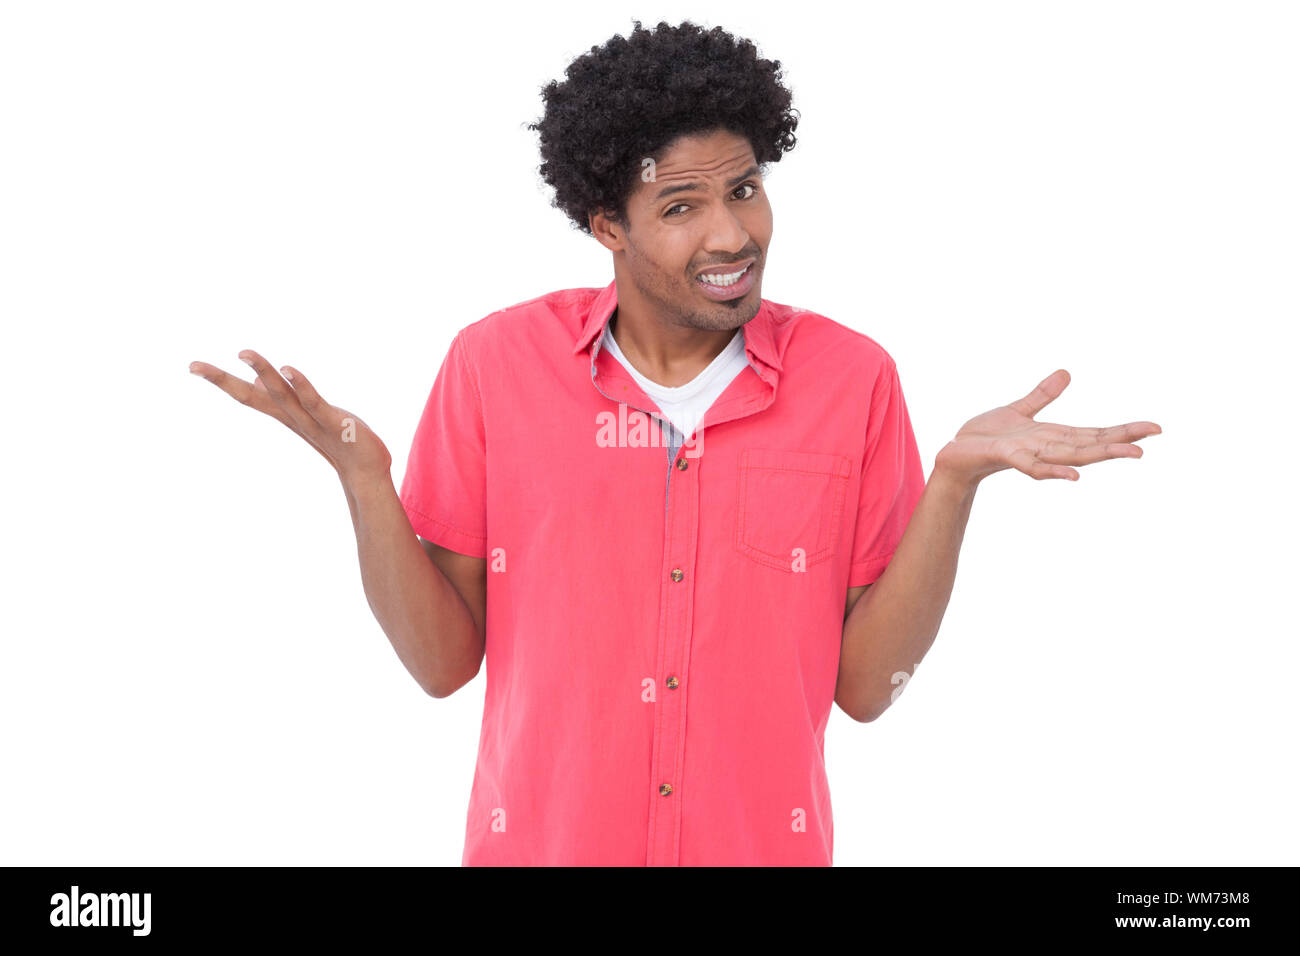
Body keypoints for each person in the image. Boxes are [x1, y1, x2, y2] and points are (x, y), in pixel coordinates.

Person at [189, 20, 1161, 866]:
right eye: (683, 206)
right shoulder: (494, 366)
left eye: (744, 188)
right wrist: (365, 479)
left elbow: (865, 690)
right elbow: (442, 664)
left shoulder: (852, 378)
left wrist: (954, 481)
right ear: (607, 223)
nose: (732, 235)